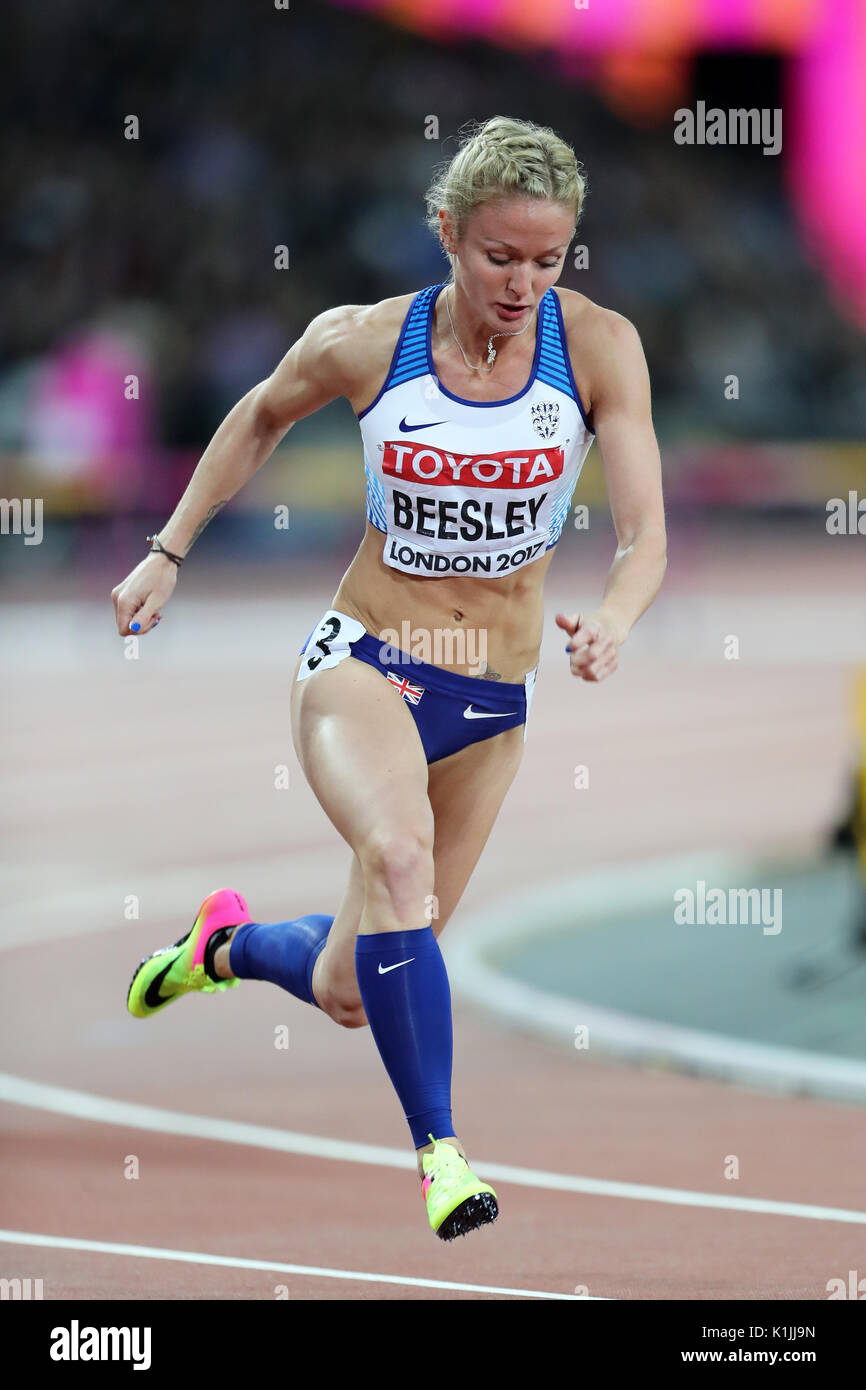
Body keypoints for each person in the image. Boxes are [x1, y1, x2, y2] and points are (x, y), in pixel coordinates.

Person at [115, 116, 667, 1241]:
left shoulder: (599, 345)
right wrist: (169, 550)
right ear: (446, 233)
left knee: (349, 989)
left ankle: (217, 944)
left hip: (493, 698)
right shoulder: (366, 342)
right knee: (398, 856)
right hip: (365, 659)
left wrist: (613, 616)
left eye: (546, 259)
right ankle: (442, 1158)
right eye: (497, 256)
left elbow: (644, 533)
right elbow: (256, 415)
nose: (521, 283)